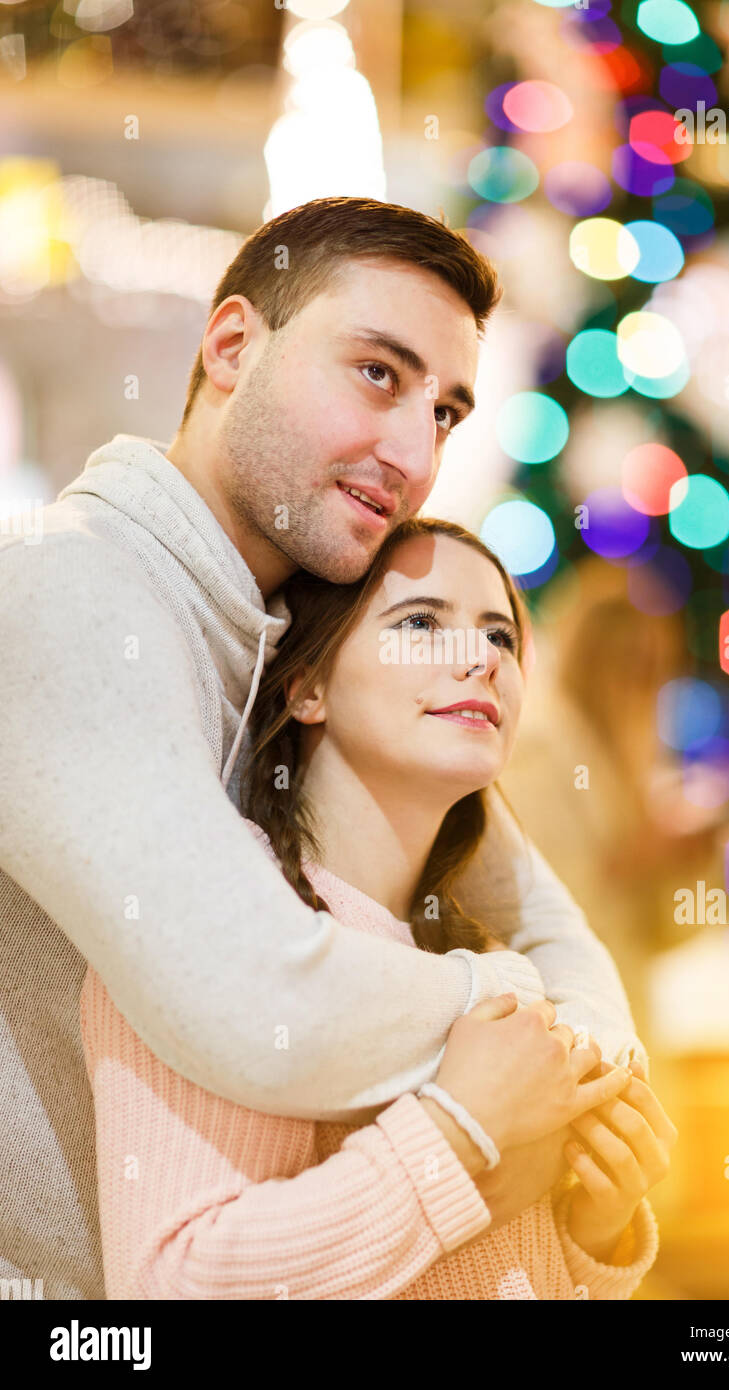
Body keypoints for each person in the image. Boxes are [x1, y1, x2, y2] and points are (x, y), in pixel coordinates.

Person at [0, 196, 644, 1300]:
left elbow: (539, 915)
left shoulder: (283, 616)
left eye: (443, 412)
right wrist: (511, 1055)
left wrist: (579, 1098)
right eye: (377, 374)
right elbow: (256, 994)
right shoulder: (72, 595)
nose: (410, 451)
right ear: (233, 345)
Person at [83, 518, 675, 1299]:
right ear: (306, 686)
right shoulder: (218, 924)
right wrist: (455, 1133)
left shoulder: (492, 959)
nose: (480, 659)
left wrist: (591, 1231)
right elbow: (174, 1282)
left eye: (500, 636)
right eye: (422, 623)